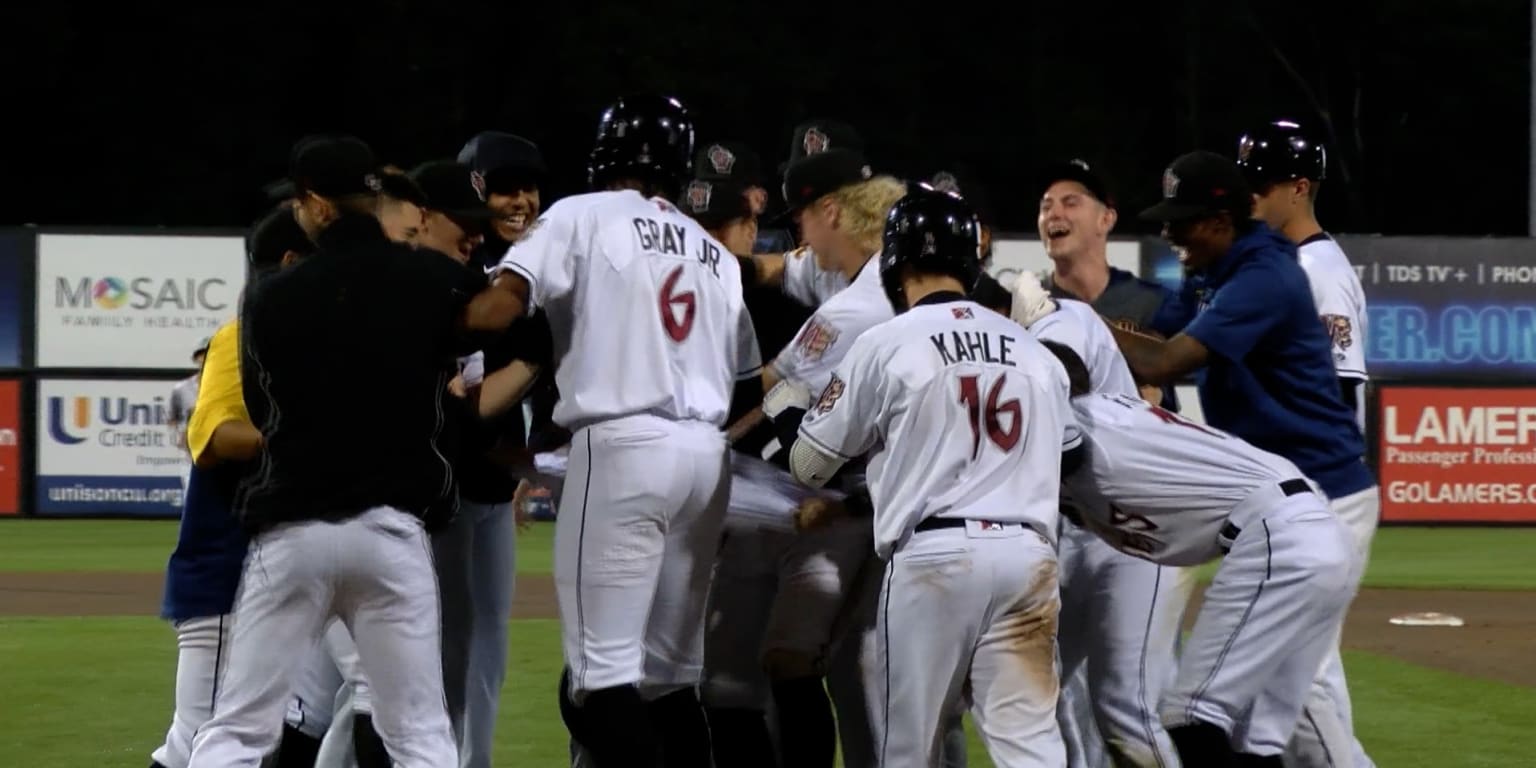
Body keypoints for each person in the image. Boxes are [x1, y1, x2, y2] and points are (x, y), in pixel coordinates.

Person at [186, 134, 522, 768]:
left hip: (293, 531)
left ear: (315, 204)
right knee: (421, 734)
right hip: (391, 532)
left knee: (236, 732)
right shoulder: (428, 276)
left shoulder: (270, 295)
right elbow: (495, 317)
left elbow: (262, 413)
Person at [485, 94, 761, 768]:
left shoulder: (579, 214)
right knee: (669, 680)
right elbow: (749, 375)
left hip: (624, 446)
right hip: (704, 456)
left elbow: (500, 307)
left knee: (599, 680)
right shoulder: (713, 251)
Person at [790, 188, 1076, 768]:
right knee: (1031, 749)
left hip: (935, 558)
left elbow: (811, 464)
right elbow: (1071, 455)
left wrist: (800, 407)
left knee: (908, 749)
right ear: (971, 263)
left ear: (893, 262)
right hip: (1030, 557)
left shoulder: (885, 342)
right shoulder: (1036, 352)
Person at [1112, 149, 1380, 768]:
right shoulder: (1219, 268)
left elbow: (1164, 361)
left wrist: (1064, 319)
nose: (1168, 231)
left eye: (1182, 219)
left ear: (1221, 218)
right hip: (1284, 497)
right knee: (1272, 709)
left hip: (1323, 495)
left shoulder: (1264, 275)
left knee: (1299, 686)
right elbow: (1155, 328)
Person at [1044, 341, 1357, 767]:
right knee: (1257, 740)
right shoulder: (1112, 414)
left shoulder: (1081, 426)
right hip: (1313, 529)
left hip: (1277, 534)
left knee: (1193, 719)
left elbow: (1064, 460)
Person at [149, 205, 314, 768]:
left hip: (273, 574)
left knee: (271, 729)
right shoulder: (240, 336)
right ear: (292, 262)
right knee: (196, 738)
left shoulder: (298, 341)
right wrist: (312, 438)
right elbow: (219, 438)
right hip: (224, 573)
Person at [1236, 120, 1377, 768]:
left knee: (1301, 673)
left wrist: (1315, 496)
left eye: (1265, 184)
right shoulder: (1282, 264)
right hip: (1306, 489)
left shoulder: (1319, 269)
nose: (1253, 196)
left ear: (1300, 187)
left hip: (1325, 487)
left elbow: (1344, 393)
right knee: (1306, 673)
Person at [168, 338, 209, 491]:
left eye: (209, 354)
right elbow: (172, 419)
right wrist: (178, 437)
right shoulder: (181, 389)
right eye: (202, 354)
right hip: (190, 456)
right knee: (191, 501)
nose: (205, 358)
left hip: (218, 454)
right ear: (195, 358)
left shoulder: (226, 389)